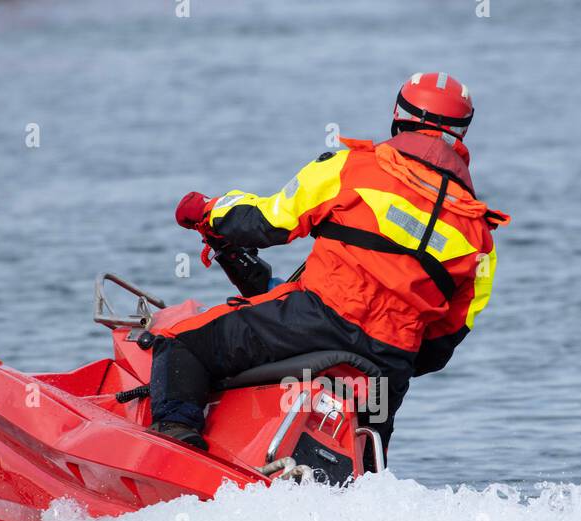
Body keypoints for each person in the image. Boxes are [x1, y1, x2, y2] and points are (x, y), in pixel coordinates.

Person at [150, 71, 509, 456]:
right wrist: (387, 345)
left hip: (317, 319)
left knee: (180, 342)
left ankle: (174, 443)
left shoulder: (349, 168)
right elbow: (441, 345)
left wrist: (208, 211)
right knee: (365, 472)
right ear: (461, 134)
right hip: (390, 364)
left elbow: (266, 222)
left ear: (398, 115)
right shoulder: (480, 237)